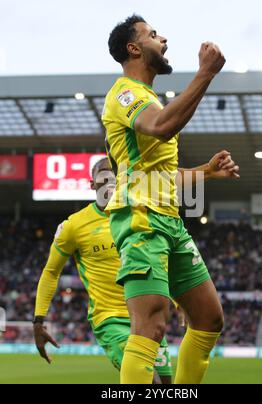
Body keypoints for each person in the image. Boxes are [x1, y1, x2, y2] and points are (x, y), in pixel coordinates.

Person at [102, 14, 238, 385]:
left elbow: (159, 174)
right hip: (141, 220)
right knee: (151, 326)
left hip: (169, 222)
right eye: (152, 35)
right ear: (133, 48)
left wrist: (206, 173)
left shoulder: (149, 99)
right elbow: (162, 127)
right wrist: (206, 73)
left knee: (210, 319)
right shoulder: (124, 94)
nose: (163, 39)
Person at [33, 157, 172, 384]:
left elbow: (162, 260)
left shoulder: (140, 214)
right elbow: (50, 272)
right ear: (92, 184)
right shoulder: (74, 226)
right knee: (148, 382)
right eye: (103, 176)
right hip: (111, 321)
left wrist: (181, 300)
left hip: (149, 317)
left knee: (166, 386)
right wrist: (38, 320)